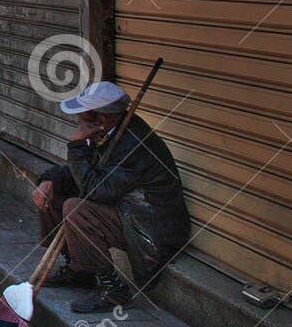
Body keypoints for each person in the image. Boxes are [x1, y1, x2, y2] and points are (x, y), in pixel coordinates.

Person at [31, 81, 191, 314]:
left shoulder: (134, 145)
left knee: (76, 208)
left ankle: (114, 290)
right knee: (53, 197)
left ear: (102, 118)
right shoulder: (107, 132)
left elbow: (96, 190)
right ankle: (80, 270)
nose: (78, 121)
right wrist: (50, 180)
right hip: (125, 210)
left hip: (150, 225)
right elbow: (86, 173)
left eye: (83, 116)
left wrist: (76, 145)